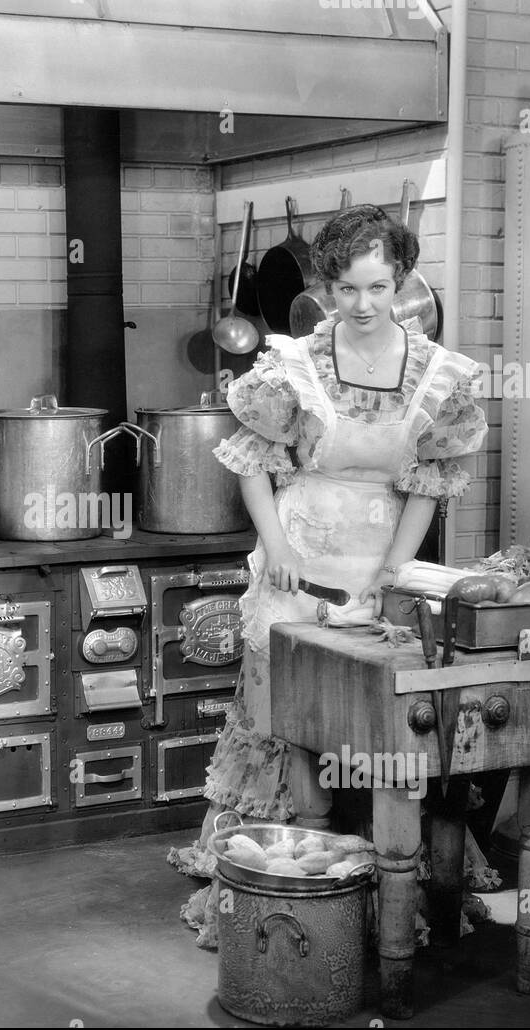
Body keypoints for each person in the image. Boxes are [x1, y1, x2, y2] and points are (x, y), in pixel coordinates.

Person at [170, 204, 488, 947]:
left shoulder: (438, 374)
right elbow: (255, 464)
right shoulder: (294, 362)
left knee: (372, 725)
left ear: (401, 280)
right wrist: (274, 541)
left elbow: (429, 482)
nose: (364, 304)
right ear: (329, 285)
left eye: (378, 287)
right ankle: (276, 883)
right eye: (347, 289)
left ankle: (380, 887)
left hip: (381, 570)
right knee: (286, 722)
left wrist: (397, 568)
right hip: (298, 562)